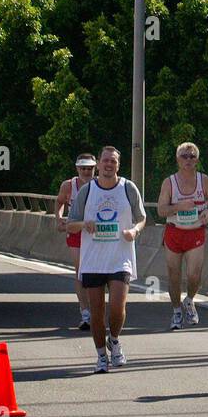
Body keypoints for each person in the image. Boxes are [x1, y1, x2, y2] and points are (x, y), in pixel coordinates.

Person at [65, 145, 146, 373]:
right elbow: (69, 224)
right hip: (93, 260)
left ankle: (115, 340)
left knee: (117, 309)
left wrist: (135, 231)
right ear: (98, 165)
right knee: (97, 313)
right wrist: (84, 225)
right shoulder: (87, 192)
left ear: (118, 165)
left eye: (113, 161)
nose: (109, 165)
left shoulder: (128, 188)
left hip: (120, 258)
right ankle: (101, 355)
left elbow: (142, 218)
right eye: (105, 161)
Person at [156, 142, 208, 330]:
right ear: (177, 159)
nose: (188, 159)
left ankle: (189, 300)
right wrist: (180, 206)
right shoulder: (169, 182)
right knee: (174, 275)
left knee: (193, 275)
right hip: (174, 232)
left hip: (196, 232)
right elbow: (161, 210)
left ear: (196, 159)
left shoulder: (203, 179)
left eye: (192, 156)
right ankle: (176, 311)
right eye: (184, 156)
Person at [55, 153, 97, 330]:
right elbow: (59, 202)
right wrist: (58, 218)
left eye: (90, 168)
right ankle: (85, 312)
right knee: (81, 271)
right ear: (77, 168)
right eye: (83, 168)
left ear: (95, 168)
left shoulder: (100, 184)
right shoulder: (69, 185)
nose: (86, 171)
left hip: (96, 233)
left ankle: (97, 309)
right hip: (75, 231)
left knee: (97, 272)